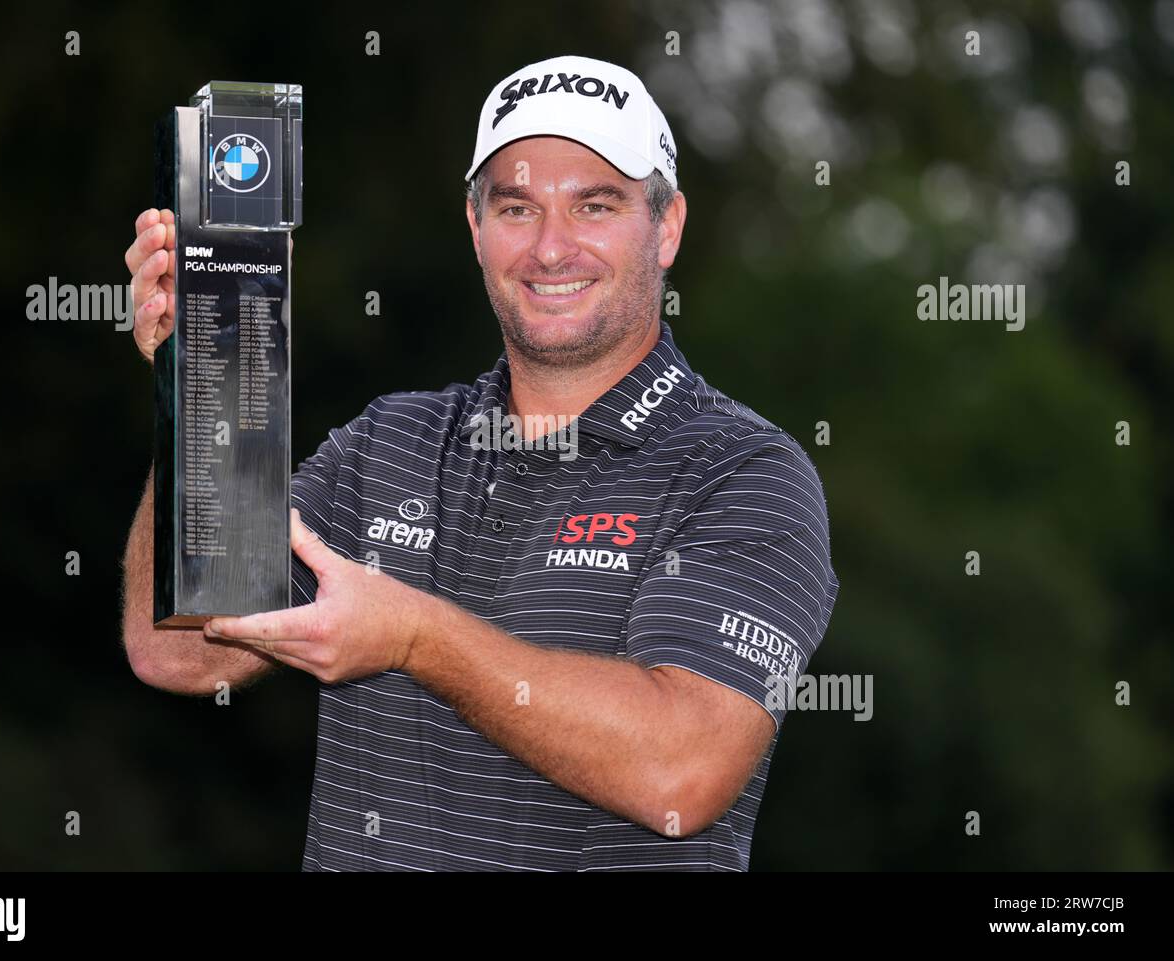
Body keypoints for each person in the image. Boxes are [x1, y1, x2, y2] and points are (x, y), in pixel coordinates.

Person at [120, 54, 839, 871]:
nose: (551, 248)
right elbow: (180, 651)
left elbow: (684, 769)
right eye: (516, 207)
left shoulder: (744, 471)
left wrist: (415, 636)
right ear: (475, 227)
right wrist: (202, 384)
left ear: (666, 226)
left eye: (594, 205)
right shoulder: (388, 440)